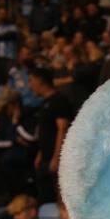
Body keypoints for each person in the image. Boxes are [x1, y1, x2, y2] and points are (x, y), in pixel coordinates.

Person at [29, 67, 73, 204]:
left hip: (55, 159)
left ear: (40, 81)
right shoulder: (44, 103)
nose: (29, 85)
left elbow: (62, 129)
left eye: (31, 80)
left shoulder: (59, 101)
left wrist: (57, 157)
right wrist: (40, 154)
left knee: (58, 197)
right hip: (45, 158)